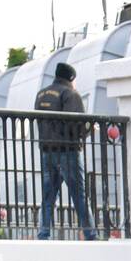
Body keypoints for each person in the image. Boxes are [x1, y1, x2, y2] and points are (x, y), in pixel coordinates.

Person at [34, 62, 96, 240]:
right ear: (71, 78)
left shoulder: (41, 94)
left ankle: (44, 233)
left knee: (48, 196)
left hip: (47, 150)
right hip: (67, 151)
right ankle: (90, 233)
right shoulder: (70, 93)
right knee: (79, 195)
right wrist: (90, 129)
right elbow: (75, 124)